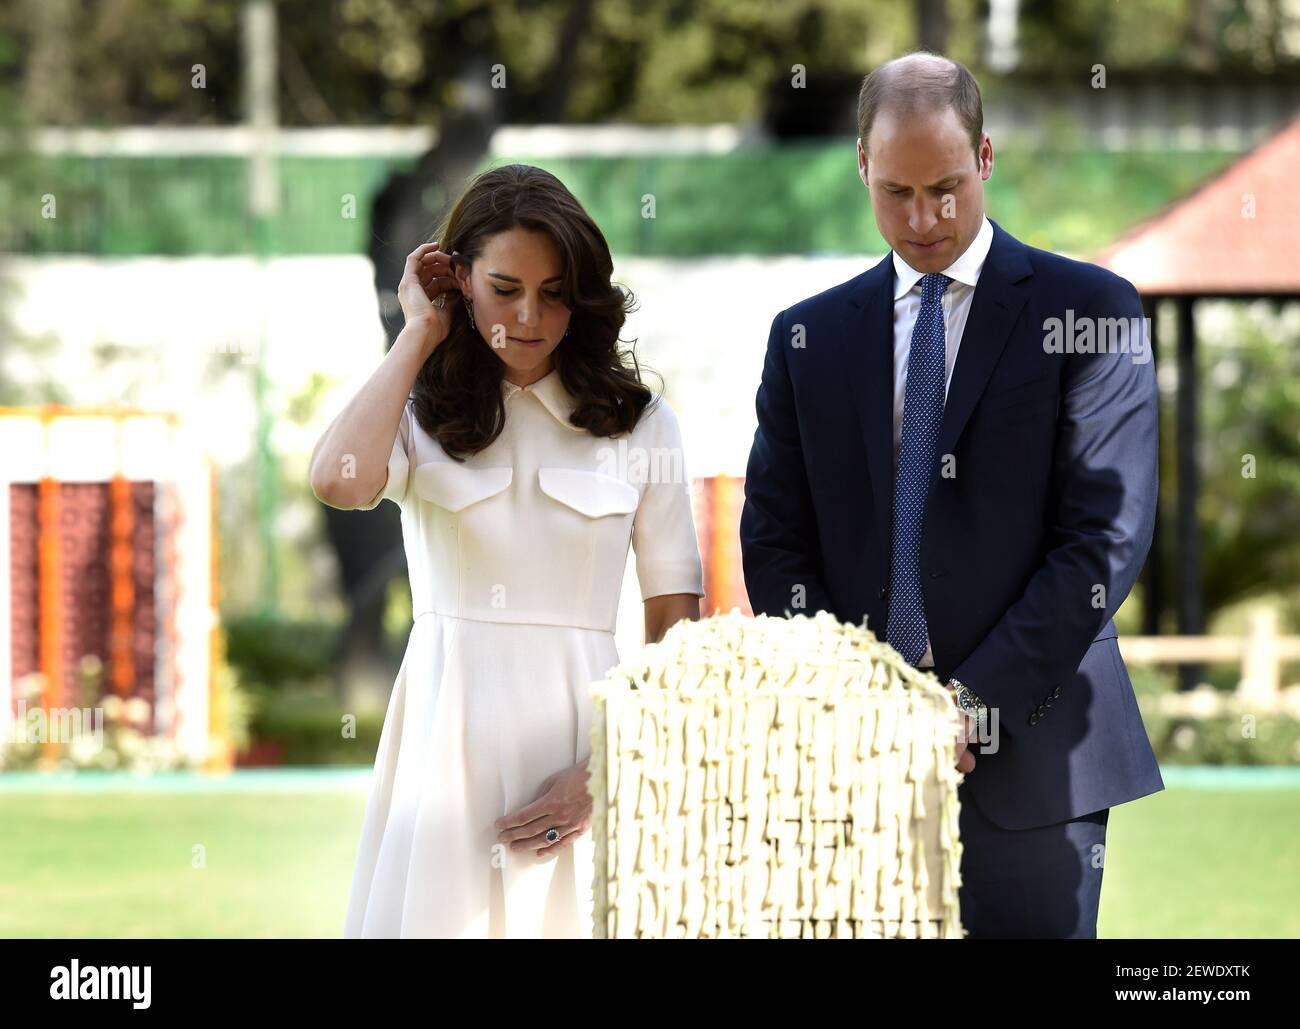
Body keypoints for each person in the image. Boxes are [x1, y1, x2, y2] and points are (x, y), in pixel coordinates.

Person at [738, 52, 1164, 939]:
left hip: (1039, 762)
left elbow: (1104, 540)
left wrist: (971, 706)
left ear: (987, 158)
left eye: (947, 188)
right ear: (861, 165)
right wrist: (853, 698)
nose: (924, 217)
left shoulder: (1093, 310)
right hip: (855, 764)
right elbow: (775, 540)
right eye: (896, 191)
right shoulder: (805, 336)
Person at [312, 164, 704, 938]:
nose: (529, 316)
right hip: (441, 752)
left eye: (554, 292)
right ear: (458, 281)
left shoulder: (642, 424)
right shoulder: (419, 410)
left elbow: (678, 625)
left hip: (588, 757)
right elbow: (338, 479)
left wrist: (604, 771)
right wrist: (417, 333)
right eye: (504, 287)